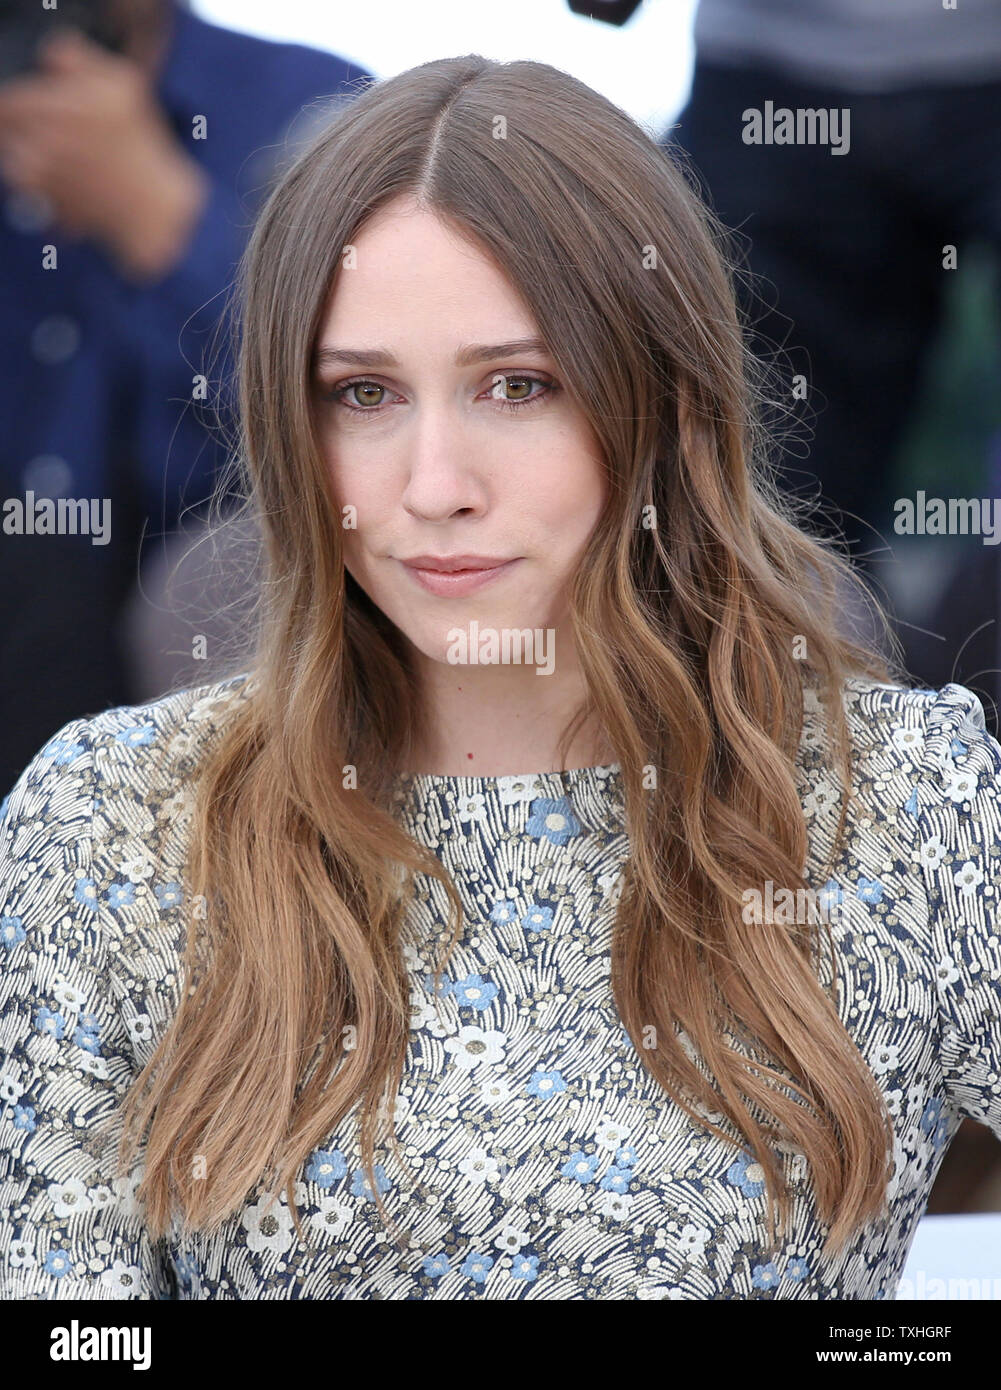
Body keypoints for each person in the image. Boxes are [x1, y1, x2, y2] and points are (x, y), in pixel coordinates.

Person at [1, 53, 999, 1301]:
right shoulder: (115, 823)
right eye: (361, 394)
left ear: (663, 399)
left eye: (516, 385)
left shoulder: (905, 804)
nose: (433, 486)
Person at [0, 0, 372, 795]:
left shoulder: (313, 107)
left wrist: (161, 220)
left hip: (189, 592)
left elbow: (370, 408)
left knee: (212, 586)